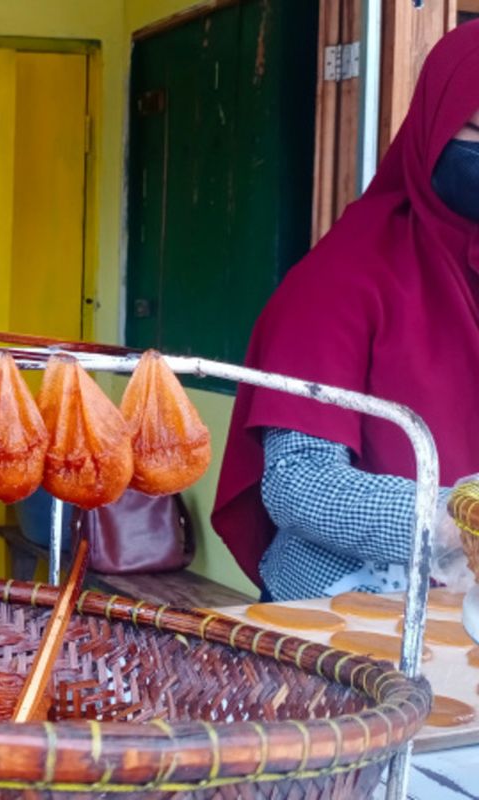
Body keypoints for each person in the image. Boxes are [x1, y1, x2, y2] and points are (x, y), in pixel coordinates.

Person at [211, 22, 479, 602]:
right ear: (434, 128)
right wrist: (444, 522)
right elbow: (299, 481)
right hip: (346, 617)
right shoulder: (344, 275)